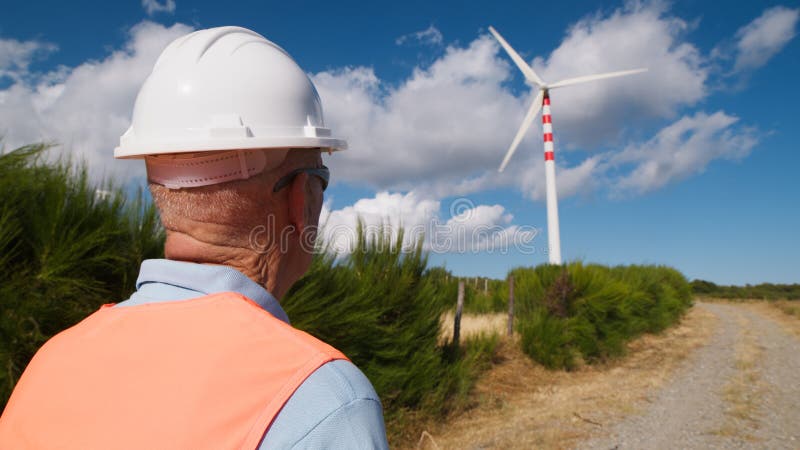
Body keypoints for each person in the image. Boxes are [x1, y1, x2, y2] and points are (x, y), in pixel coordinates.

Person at [0, 26, 389, 449]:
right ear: (303, 199)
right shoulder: (324, 401)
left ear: (158, 185)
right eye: (321, 179)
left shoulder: (50, 363)